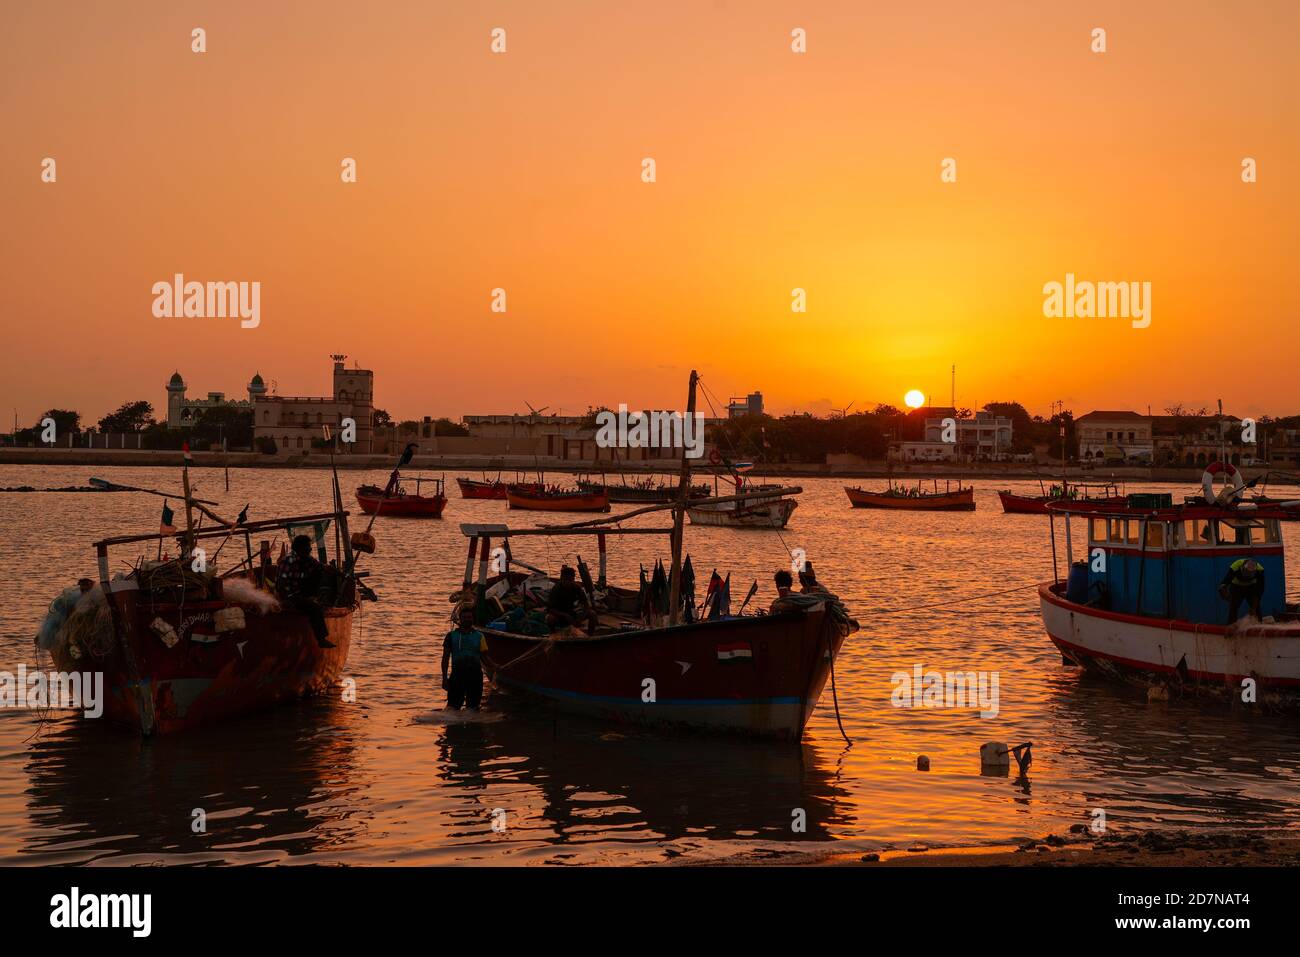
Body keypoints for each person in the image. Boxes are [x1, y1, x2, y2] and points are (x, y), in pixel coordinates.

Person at [276, 534, 335, 648]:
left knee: (319, 572)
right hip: (289, 595)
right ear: (300, 549)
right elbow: (281, 585)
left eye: (310, 548)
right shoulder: (288, 561)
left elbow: (320, 567)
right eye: (307, 548)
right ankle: (321, 639)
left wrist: (332, 571)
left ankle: (312, 597)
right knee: (314, 608)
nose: (310, 550)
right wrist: (288, 600)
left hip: (300, 590)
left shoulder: (306, 558)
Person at [442, 606, 488, 711]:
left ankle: (472, 727)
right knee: (452, 708)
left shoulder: (480, 636)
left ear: (473, 619)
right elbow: (445, 658)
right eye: (465, 617)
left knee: (473, 708)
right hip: (457, 676)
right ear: (460, 619)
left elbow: (485, 657)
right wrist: (444, 679)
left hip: (475, 676)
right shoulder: (451, 636)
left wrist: (495, 667)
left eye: (469, 617)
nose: (467, 619)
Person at [546, 565, 593, 631]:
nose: (568, 582)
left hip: (571, 613)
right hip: (558, 614)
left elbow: (586, 605)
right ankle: (553, 633)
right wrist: (565, 615)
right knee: (550, 619)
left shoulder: (577, 588)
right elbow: (550, 609)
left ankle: (590, 635)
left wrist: (580, 618)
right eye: (566, 580)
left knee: (592, 614)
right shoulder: (556, 589)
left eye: (571, 580)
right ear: (562, 579)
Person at [1220, 558, 1265, 624]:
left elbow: (1260, 588)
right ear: (1242, 568)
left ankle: (1259, 623)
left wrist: (1254, 605)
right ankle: (1231, 625)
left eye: (1249, 574)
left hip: (1251, 587)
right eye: (1246, 573)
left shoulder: (1260, 570)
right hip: (1236, 587)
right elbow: (1226, 580)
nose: (1246, 577)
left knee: (1256, 608)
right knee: (1233, 607)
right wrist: (1223, 589)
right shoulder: (1235, 566)